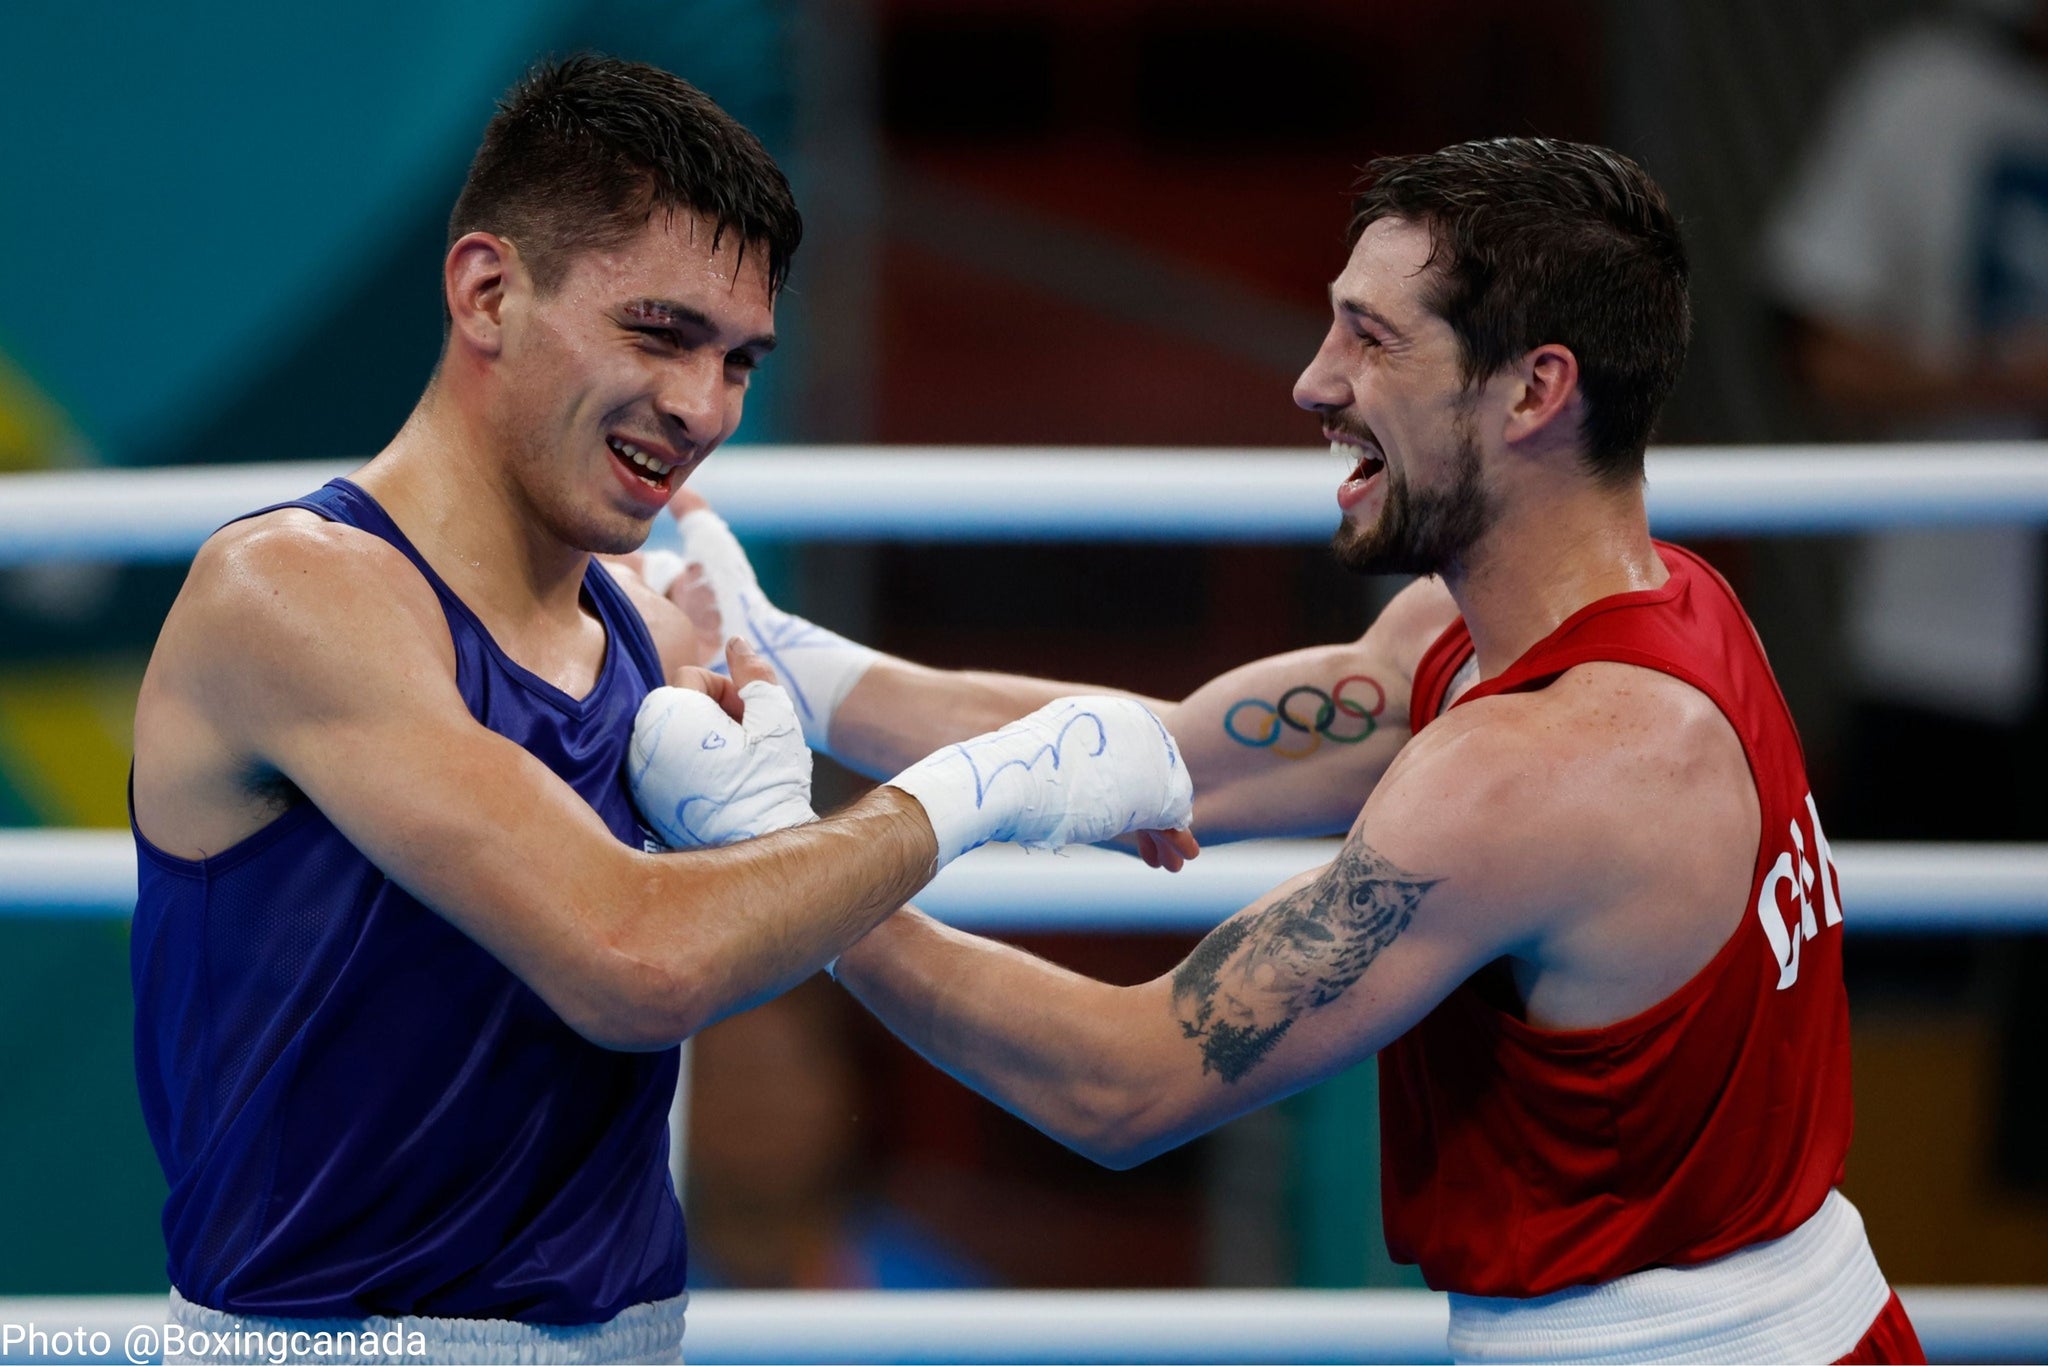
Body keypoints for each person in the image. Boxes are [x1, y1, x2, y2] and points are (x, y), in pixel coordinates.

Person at [651, 138, 1925, 1363]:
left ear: (1534, 389)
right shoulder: (1597, 615)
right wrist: (781, 652)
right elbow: (1160, 757)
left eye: (1372, 339)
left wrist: (781, 862)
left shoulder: (1546, 769)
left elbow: (1122, 1084)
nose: (1314, 382)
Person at [127, 56, 1191, 1364]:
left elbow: (1002, 716)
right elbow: (629, 957)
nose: (703, 408)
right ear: (488, 290)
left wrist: (1412, 716)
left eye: (740, 359)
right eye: (660, 331)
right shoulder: (293, 594)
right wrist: (994, 789)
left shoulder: (657, 615)